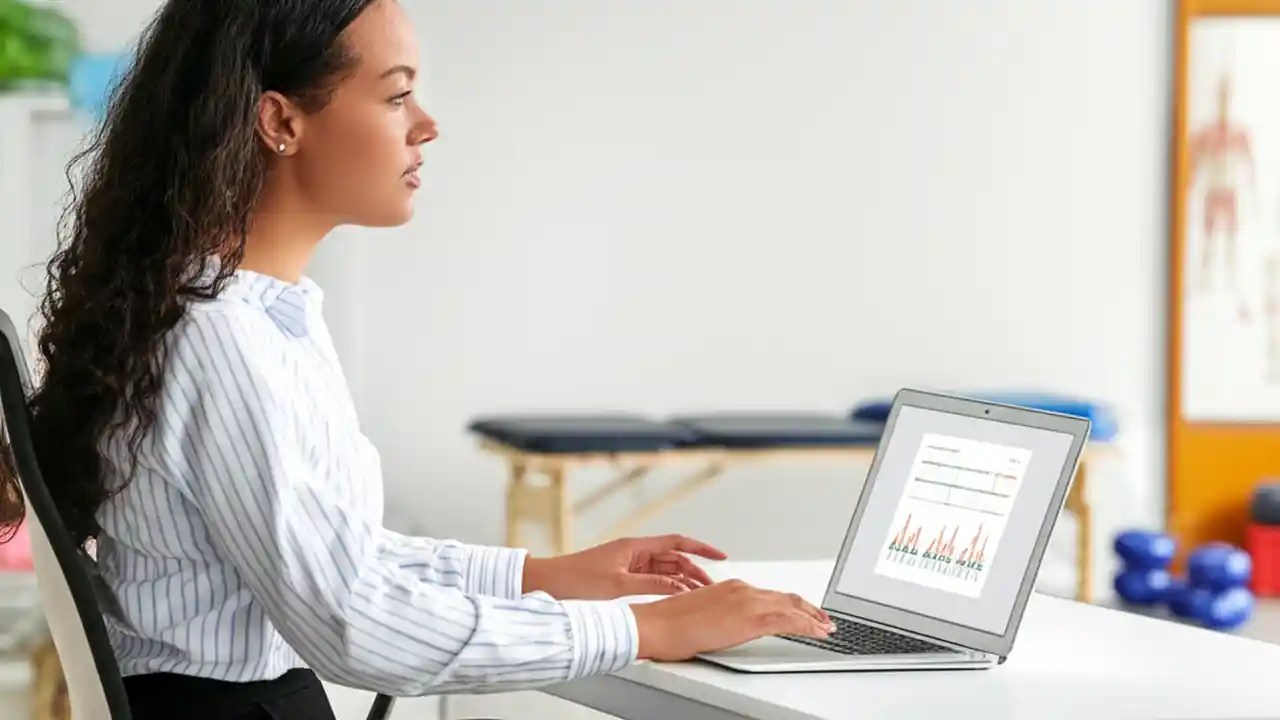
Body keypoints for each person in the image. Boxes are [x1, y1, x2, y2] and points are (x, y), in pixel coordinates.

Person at [0, 1, 833, 718]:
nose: (426, 124)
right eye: (396, 95)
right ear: (281, 121)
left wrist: (542, 573)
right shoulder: (225, 342)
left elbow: (338, 552)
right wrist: (648, 630)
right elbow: (351, 622)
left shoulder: (245, 314)